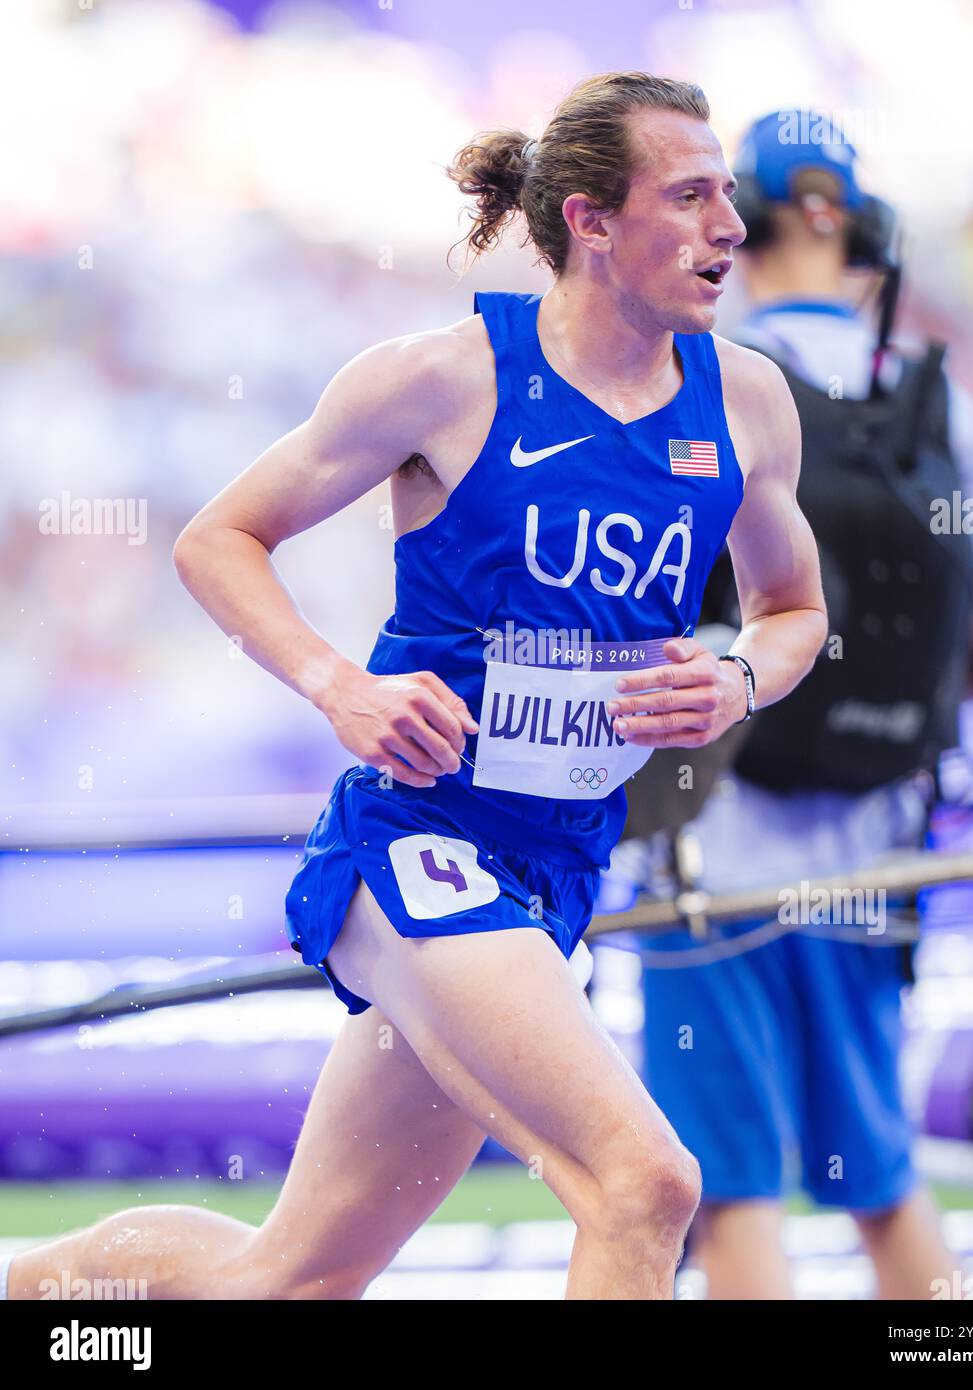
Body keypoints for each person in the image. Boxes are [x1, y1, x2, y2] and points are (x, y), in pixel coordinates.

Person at [3, 74, 826, 1303]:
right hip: (420, 841)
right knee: (643, 1179)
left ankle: (43, 1292)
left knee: (294, 1279)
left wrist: (733, 679)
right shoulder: (443, 377)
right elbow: (218, 538)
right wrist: (339, 686)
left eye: (729, 196)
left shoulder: (746, 401)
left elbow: (793, 609)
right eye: (692, 194)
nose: (731, 225)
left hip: (559, 864)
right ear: (592, 221)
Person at [631, 110, 973, 1300]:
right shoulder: (933, 399)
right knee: (883, 1177)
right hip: (873, 860)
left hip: (711, 855)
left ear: (741, 220)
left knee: (735, 1188)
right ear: (854, 222)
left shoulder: (694, 380)